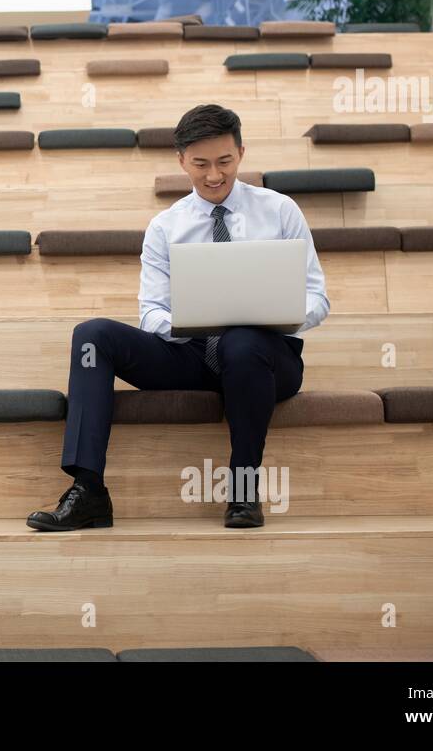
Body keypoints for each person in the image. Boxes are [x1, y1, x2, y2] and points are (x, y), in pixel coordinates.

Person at [26, 104, 331, 531]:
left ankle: (243, 490)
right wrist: (190, 320)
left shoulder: (280, 211)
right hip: (190, 354)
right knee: (92, 336)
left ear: (241, 153)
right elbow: (151, 311)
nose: (213, 175)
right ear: (181, 160)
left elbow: (318, 297)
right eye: (200, 163)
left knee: (242, 340)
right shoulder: (165, 227)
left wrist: (276, 316)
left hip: (264, 359)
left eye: (224, 161)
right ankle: (88, 490)